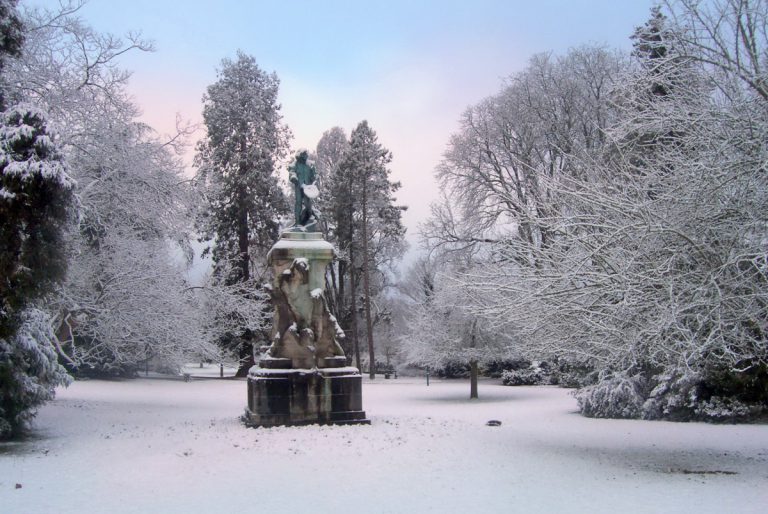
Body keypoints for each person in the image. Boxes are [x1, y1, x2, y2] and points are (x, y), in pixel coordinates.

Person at [288, 150, 317, 227]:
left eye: (305, 156)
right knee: (298, 203)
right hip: (299, 186)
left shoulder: (310, 164)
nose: (304, 158)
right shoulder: (295, 164)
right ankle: (297, 221)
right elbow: (292, 172)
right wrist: (293, 177)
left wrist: (315, 178)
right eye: (303, 156)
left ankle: (310, 217)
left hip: (308, 187)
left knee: (308, 203)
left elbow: (314, 175)